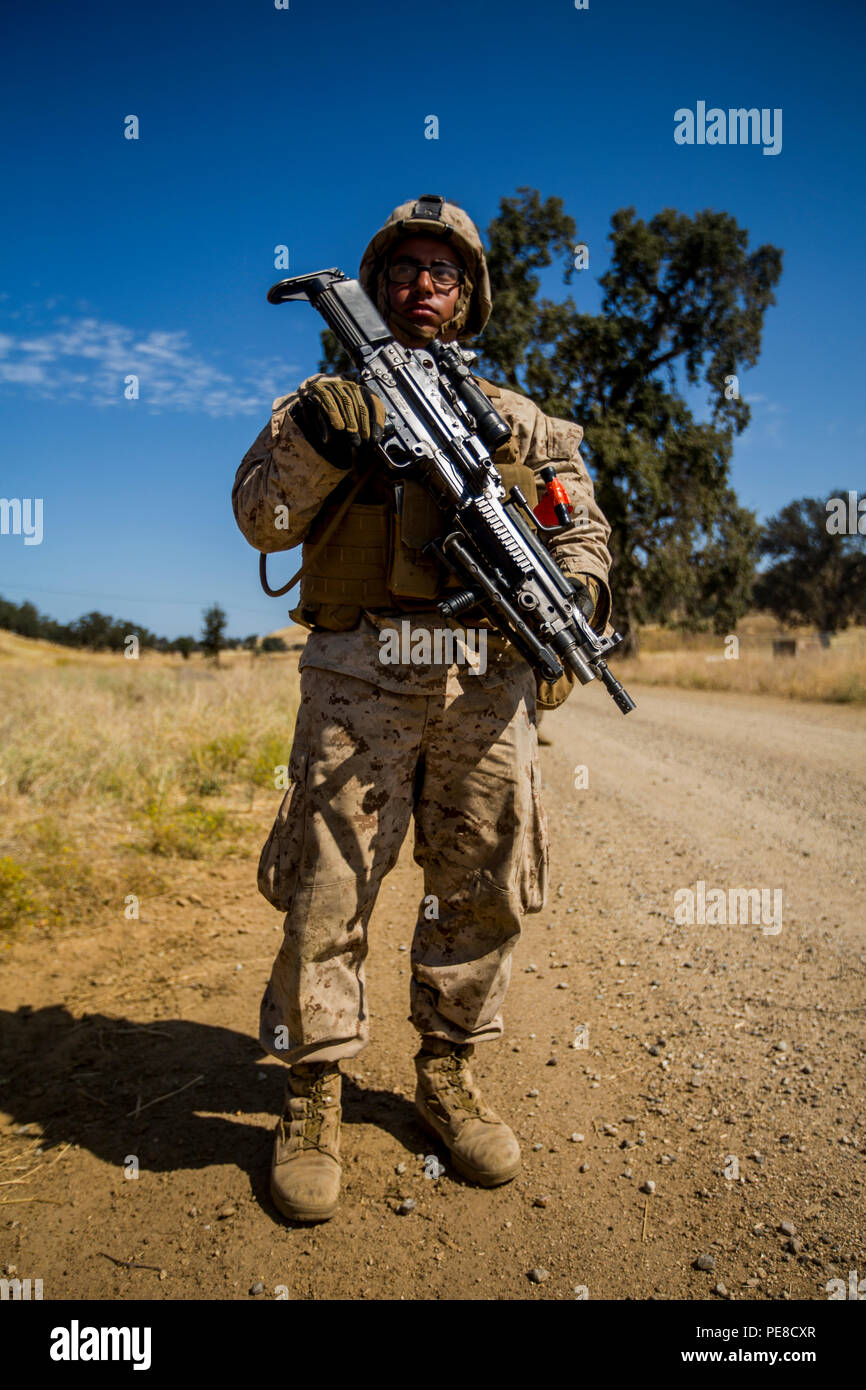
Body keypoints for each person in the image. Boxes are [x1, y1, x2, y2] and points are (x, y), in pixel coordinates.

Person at [232, 194, 613, 1223]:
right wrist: (321, 436)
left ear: (470, 294)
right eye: (403, 268)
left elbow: (582, 531)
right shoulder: (320, 397)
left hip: (482, 681)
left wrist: (576, 591)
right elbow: (262, 521)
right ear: (374, 283)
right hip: (359, 667)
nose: (423, 286)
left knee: (481, 876)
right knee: (328, 883)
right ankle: (312, 1085)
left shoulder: (524, 421)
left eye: (444, 271)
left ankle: (444, 1070)